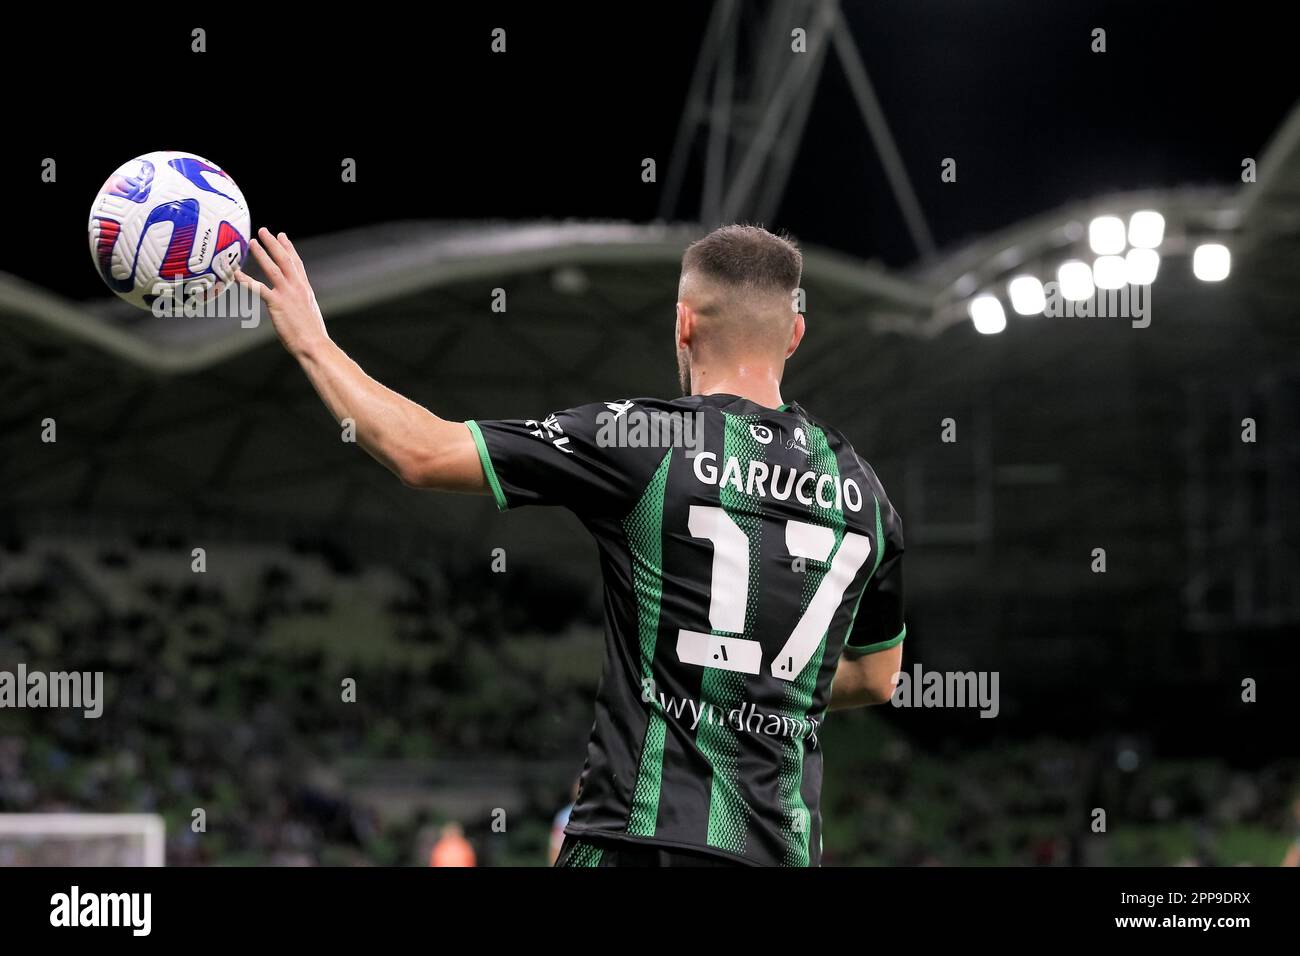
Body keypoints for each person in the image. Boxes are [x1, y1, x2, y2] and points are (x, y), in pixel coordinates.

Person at [235, 223, 905, 867]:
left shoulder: (643, 440)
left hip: (639, 841)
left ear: (683, 323)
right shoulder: (864, 494)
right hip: (779, 849)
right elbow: (877, 678)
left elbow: (422, 452)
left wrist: (313, 342)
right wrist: (751, 685)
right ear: (795, 335)